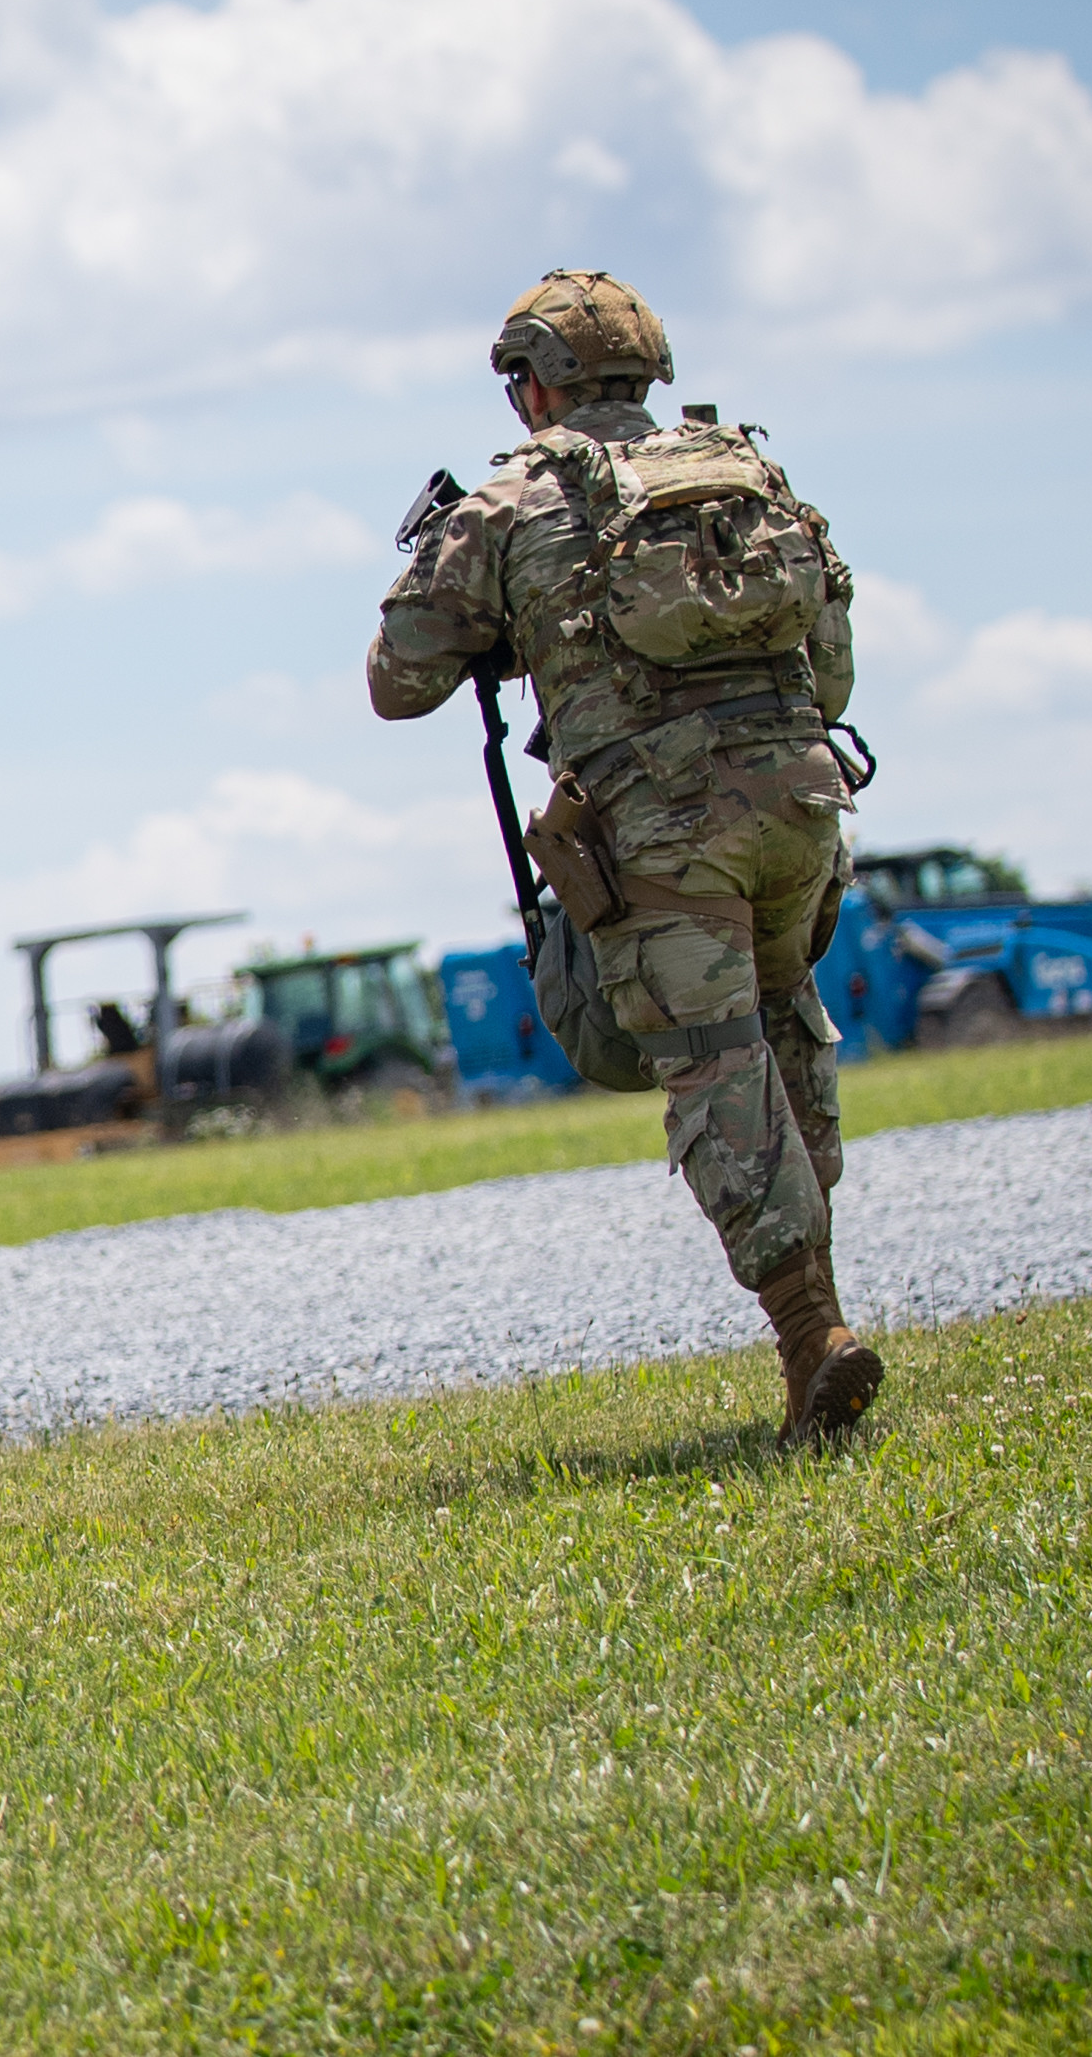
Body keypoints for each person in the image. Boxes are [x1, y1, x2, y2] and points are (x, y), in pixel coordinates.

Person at [364, 272, 883, 1450]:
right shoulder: (749, 475)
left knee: (712, 1071)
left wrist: (514, 623)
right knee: (779, 1040)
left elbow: (397, 683)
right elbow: (833, 671)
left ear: (530, 384)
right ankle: (824, 1329)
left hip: (663, 833)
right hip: (805, 808)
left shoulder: (512, 499)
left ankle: (814, 1341)